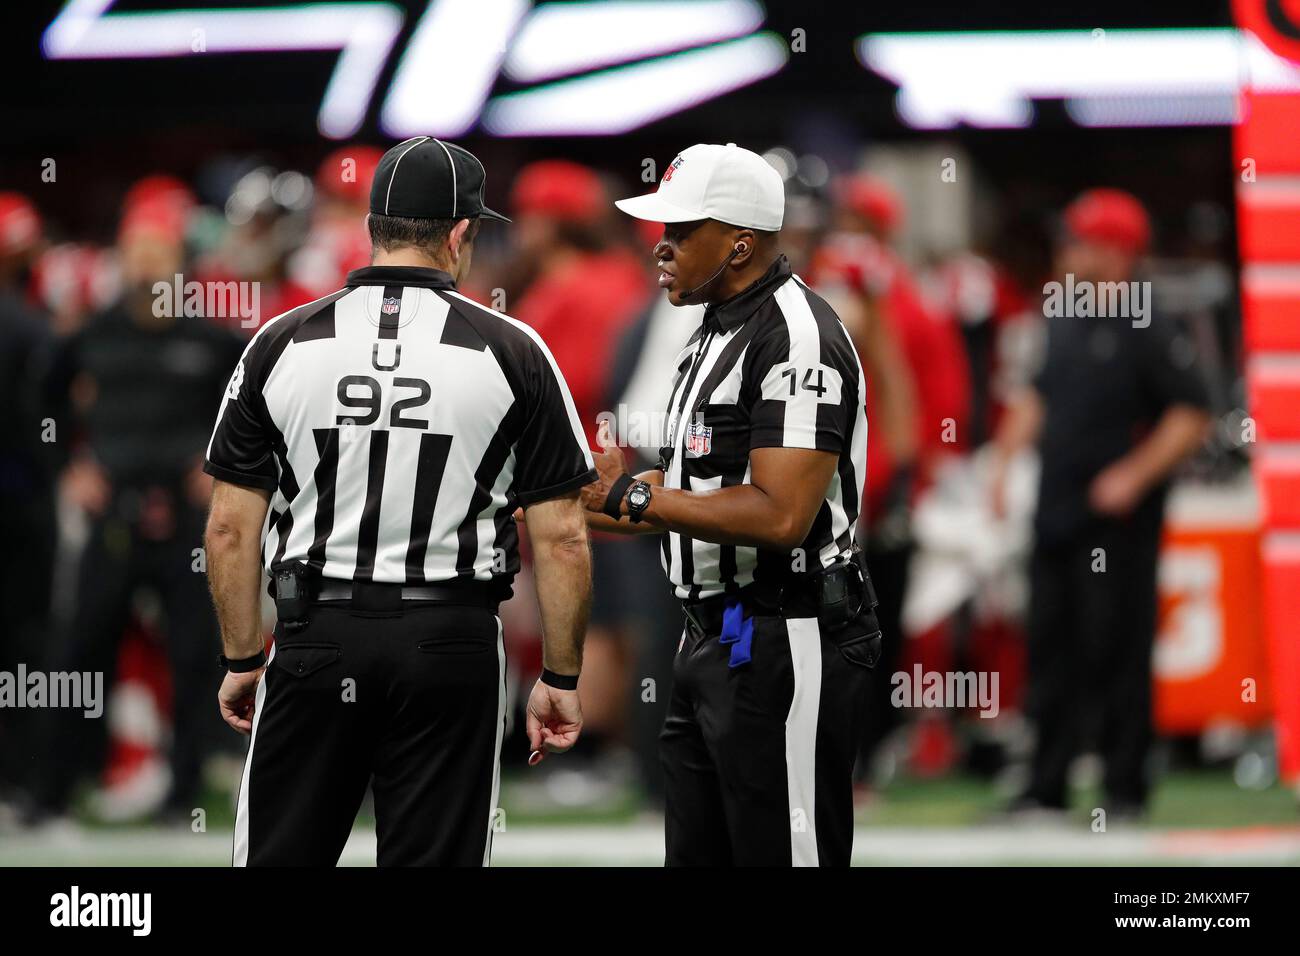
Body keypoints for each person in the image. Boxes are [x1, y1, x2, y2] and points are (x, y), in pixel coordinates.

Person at [203, 137, 595, 866]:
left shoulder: (279, 341)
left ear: (373, 229)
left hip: (316, 631)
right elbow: (564, 536)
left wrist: (240, 655)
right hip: (450, 638)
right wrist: (563, 677)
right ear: (458, 235)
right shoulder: (514, 349)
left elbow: (229, 528)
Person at [586, 142, 880, 866]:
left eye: (683, 232)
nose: (663, 248)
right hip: (715, 634)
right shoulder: (716, 327)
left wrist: (633, 498)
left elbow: (782, 516)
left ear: (740, 243)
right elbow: (691, 485)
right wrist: (568, 498)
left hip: (788, 630)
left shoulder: (796, 336)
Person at [24, 193, 245, 824]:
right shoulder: (92, 335)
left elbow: (254, 411)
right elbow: (39, 405)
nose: (150, 264)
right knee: (78, 652)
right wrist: (67, 465)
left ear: (181, 261)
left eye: (161, 251)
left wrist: (223, 472)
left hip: (186, 523)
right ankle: (52, 793)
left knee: (196, 656)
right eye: (139, 251)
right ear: (121, 257)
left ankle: (182, 797)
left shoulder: (212, 340)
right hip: (112, 517)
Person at [992, 188, 1212, 819]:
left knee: (1118, 647)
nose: (1068, 251)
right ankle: (1046, 787)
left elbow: (1191, 412)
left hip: (1117, 524)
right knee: (1050, 649)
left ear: (1116, 251)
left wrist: (1134, 476)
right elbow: (1038, 394)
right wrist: (1003, 463)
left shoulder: (1149, 322)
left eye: (1082, 240)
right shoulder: (1063, 314)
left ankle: (1124, 788)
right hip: (1057, 512)